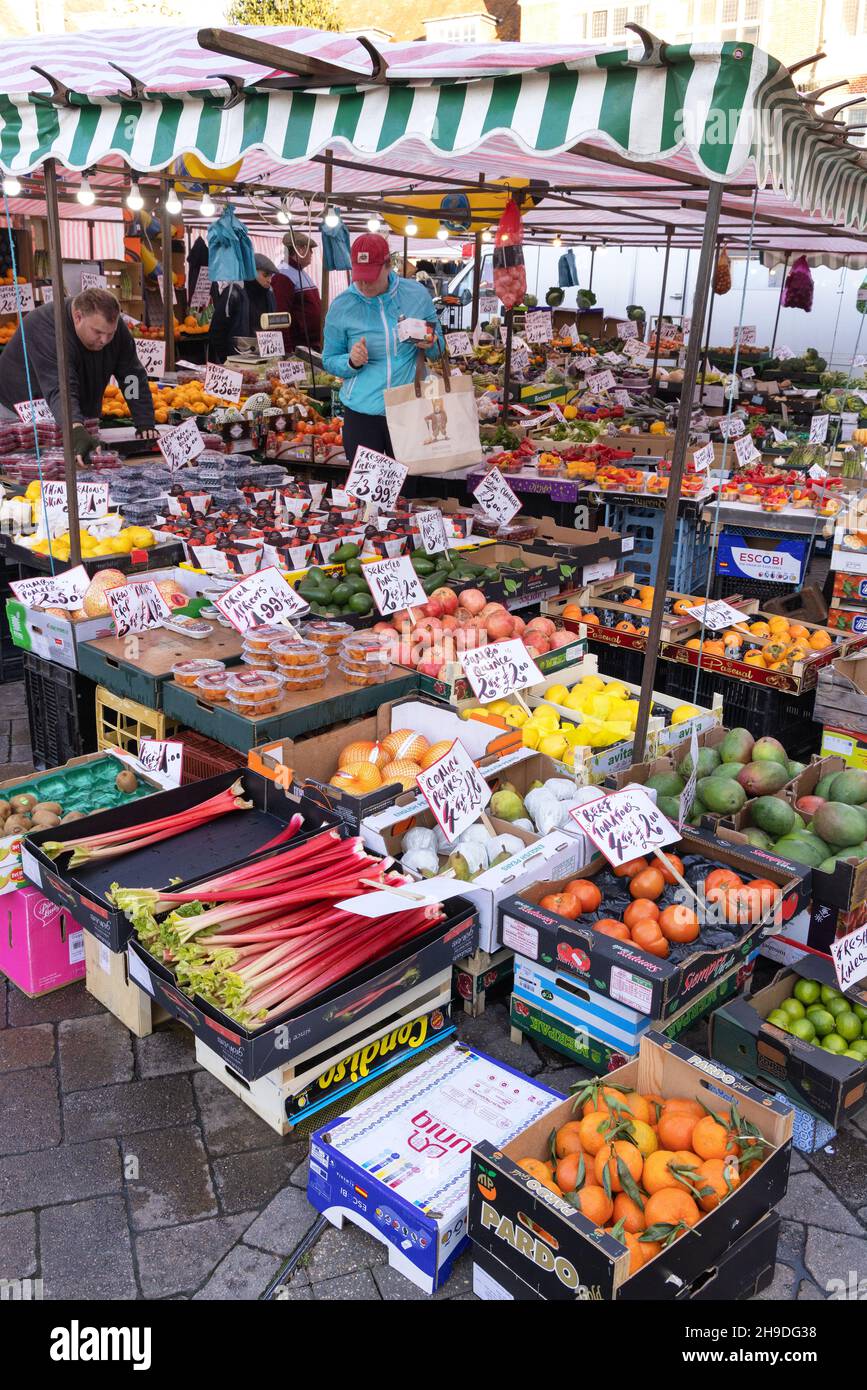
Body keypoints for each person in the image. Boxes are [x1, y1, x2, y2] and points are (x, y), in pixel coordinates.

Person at [0, 286, 156, 466]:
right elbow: (61, 386)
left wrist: (144, 420)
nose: (104, 340)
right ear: (78, 317)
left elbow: (131, 376)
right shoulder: (46, 327)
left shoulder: (116, 329)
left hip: (69, 412)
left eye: (110, 333)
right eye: (97, 332)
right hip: (17, 413)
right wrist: (75, 427)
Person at [322, 233, 445, 462]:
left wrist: (432, 342)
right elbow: (328, 359)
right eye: (359, 277)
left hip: (411, 408)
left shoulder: (416, 295)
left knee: (408, 490)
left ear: (389, 266)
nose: (364, 284)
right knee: (366, 496)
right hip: (362, 414)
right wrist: (351, 361)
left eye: (370, 276)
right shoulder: (342, 306)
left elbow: (440, 347)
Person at [272, 231, 322, 352]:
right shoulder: (283, 276)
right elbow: (280, 316)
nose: (311, 253)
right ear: (300, 249)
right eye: (310, 249)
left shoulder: (300, 273)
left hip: (310, 346)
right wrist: (288, 351)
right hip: (298, 347)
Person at [244, 254, 278, 332]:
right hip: (243, 343)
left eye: (271, 276)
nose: (269, 280)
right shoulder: (238, 292)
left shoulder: (270, 294)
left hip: (266, 342)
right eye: (265, 275)